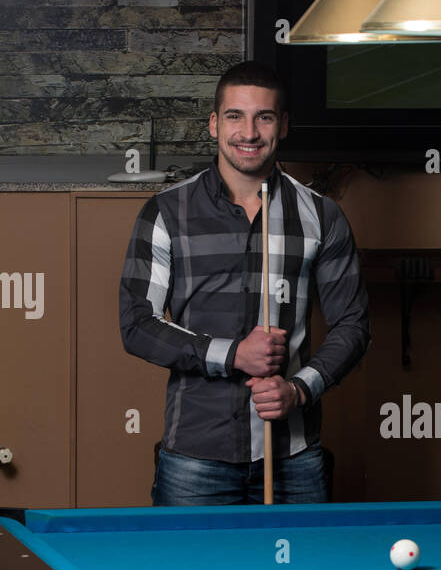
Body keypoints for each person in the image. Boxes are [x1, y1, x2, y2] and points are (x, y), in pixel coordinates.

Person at [119, 61, 370, 506]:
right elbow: (138, 323)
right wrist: (234, 354)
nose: (249, 132)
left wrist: (299, 388)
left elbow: (352, 325)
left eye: (264, 117)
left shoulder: (320, 215)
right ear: (214, 124)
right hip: (195, 457)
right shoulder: (166, 212)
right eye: (235, 115)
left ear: (284, 125)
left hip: (293, 457)